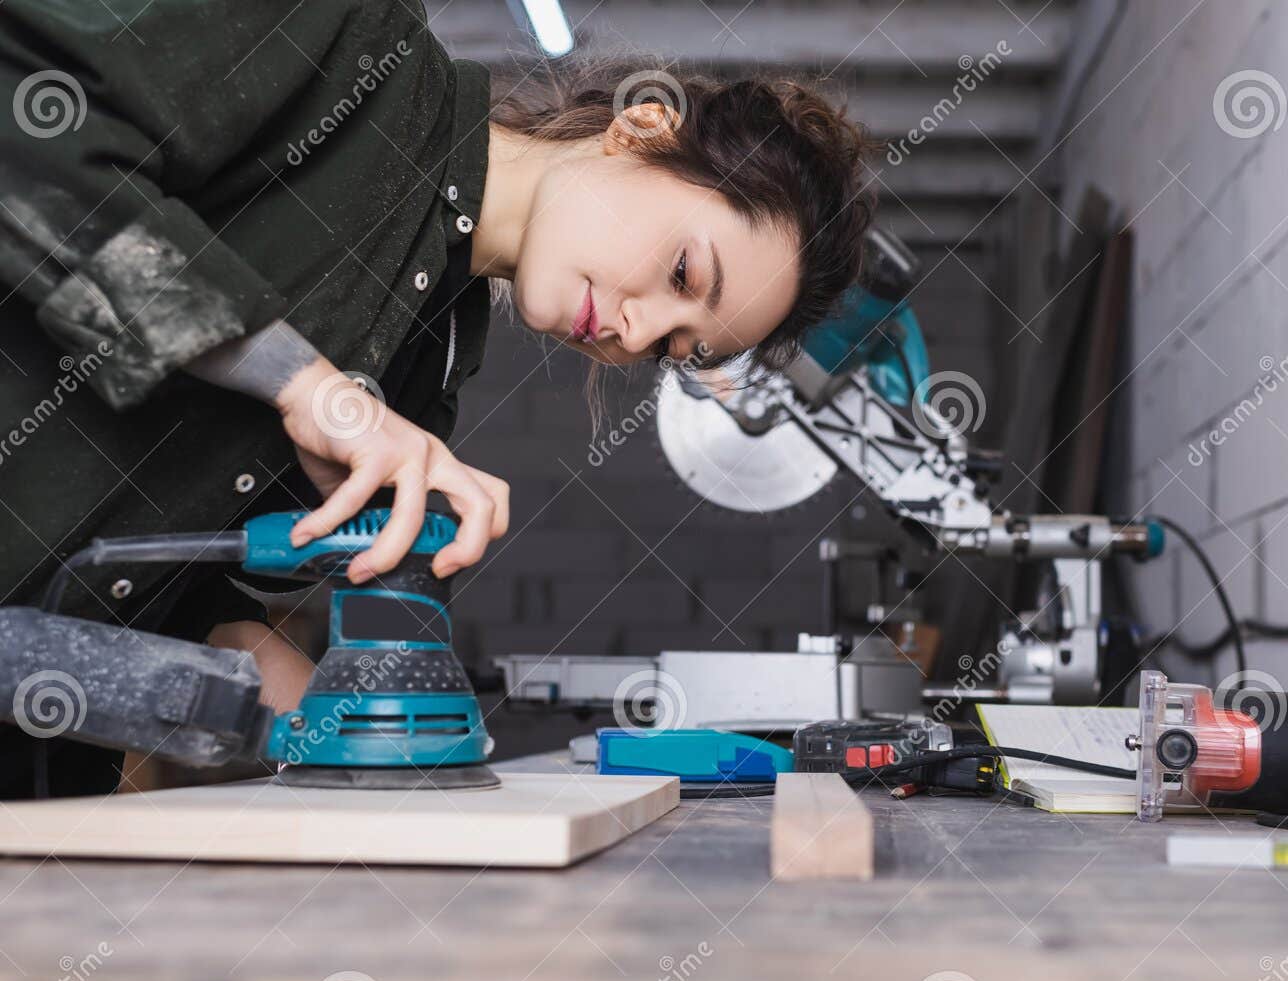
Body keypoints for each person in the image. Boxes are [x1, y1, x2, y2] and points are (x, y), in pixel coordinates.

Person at [0, 0, 873, 795]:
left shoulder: (429, 364)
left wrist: (366, 730)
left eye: (680, 347)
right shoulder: (346, 34)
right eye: (685, 273)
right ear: (642, 130)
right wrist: (303, 384)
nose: (639, 337)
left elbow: (172, 588)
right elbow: (34, 133)